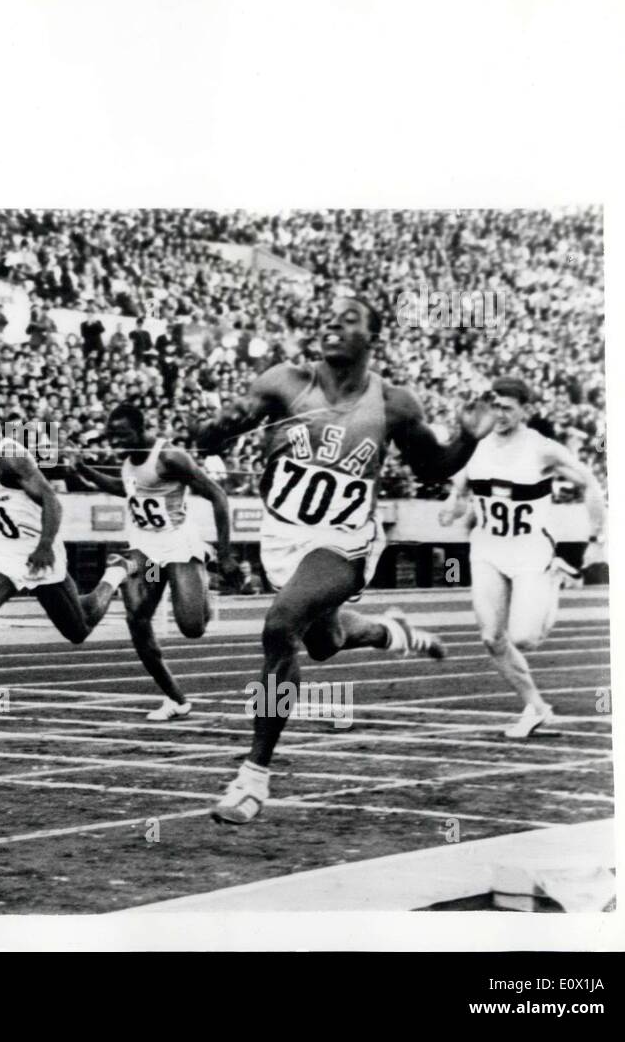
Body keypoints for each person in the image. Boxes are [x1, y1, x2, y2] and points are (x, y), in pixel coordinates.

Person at [197, 292, 495, 824]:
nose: (333, 322)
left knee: (280, 625)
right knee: (324, 642)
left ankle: (252, 779)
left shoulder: (396, 404)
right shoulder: (284, 382)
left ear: (370, 336)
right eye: (328, 316)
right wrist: (216, 429)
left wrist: (469, 440)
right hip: (283, 538)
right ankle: (390, 632)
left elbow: (431, 467)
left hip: (346, 539)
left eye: (349, 318)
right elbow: (222, 427)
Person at [0, 392, 136, 738]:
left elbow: (52, 500)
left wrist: (44, 546)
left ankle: (114, 573)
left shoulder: (10, 457)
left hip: (36, 550)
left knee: (78, 630)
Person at [438, 377, 607, 738]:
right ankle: (536, 707)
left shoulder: (542, 449)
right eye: (494, 405)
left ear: (524, 410)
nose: (498, 414)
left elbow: (591, 483)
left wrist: (595, 539)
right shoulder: (476, 445)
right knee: (491, 637)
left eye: (507, 408)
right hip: (486, 547)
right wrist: (452, 507)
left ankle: (554, 579)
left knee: (526, 638)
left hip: (530, 549)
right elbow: (460, 490)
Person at [71, 403, 232, 721]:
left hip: (178, 546)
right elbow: (127, 490)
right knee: (138, 620)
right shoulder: (127, 460)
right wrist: (85, 472)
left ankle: (203, 574)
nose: (117, 441)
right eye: (112, 435)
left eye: (122, 434)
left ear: (140, 428)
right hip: (146, 549)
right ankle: (175, 699)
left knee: (192, 627)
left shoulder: (170, 456)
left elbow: (218, 496)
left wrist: (225, 554)